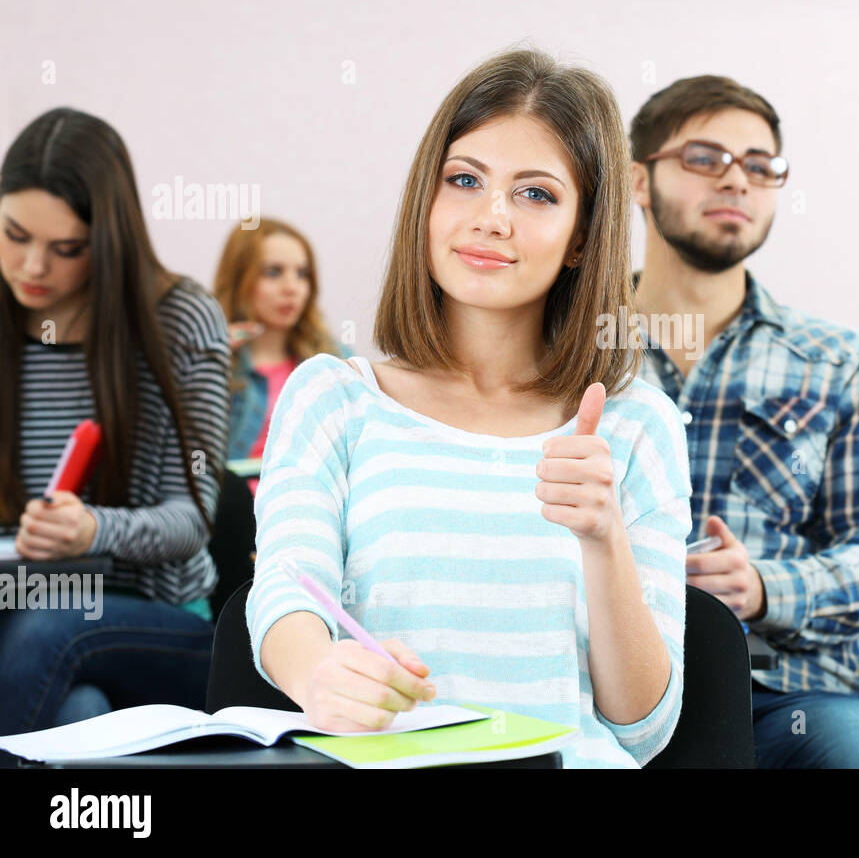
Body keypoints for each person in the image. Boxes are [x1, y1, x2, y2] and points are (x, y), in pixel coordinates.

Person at [245, 49, 692, 768]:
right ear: (427, 200)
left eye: (536, 194)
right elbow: (288, 589)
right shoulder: (334, 398)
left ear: (582, 235)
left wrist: (605, 539)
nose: (491, 219)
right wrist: (316, 673)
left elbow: (643, 727)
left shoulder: (636, 424)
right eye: (464, 181)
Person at [628, 74, 859, 768]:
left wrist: (764, 588)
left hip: (785, 699)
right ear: (638, 180)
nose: (737, 181)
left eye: (760, 167)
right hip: (601, 692)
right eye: (704, 158)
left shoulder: (838, 361)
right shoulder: (566, 348)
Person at [0, 108, 229, 744]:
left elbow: (191, 522)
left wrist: (93, 529)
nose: (33, 267)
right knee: (80, 711)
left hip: (157, 618)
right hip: (19, 603)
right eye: (14, 235)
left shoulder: (180, 322)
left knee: (51, 628)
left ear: (108, 242)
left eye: (66, 249)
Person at [213, 217, 351, 494]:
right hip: (238, 518)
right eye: (273, 272)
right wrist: (204, 363)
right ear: (240, 279)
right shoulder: (213, 362)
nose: (292, 287)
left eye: (302, 274)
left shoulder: (334, 360)